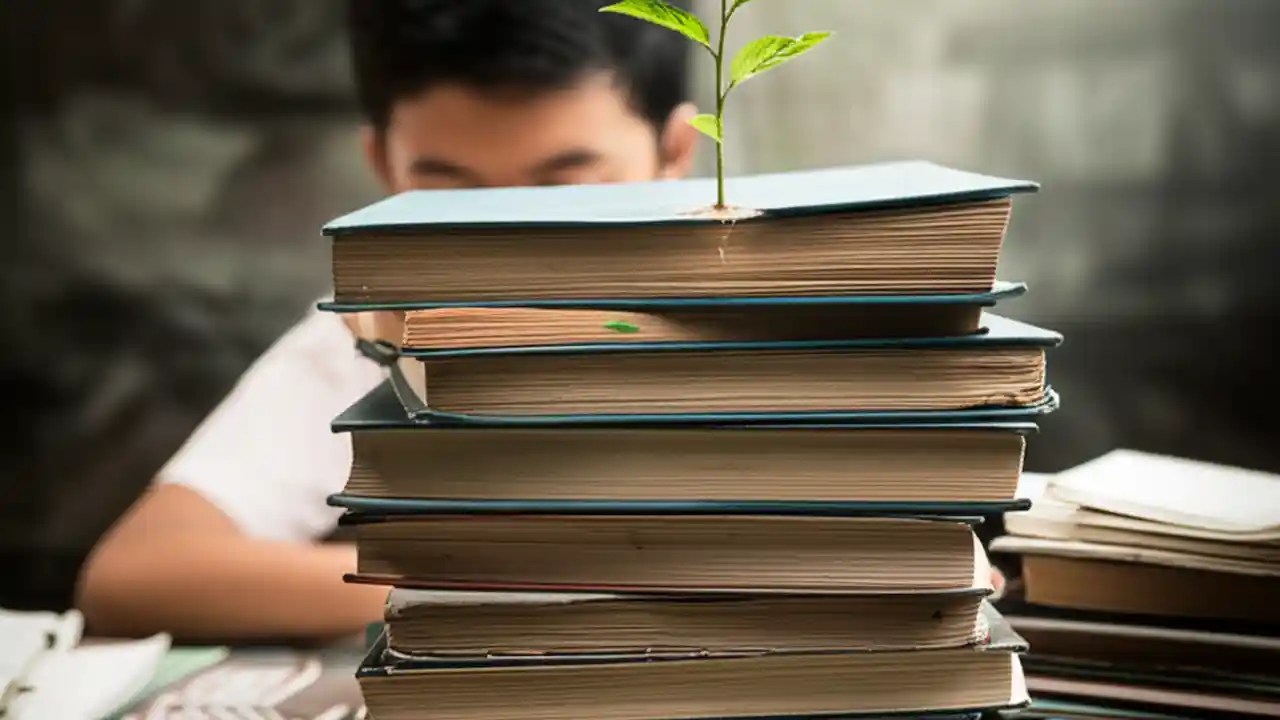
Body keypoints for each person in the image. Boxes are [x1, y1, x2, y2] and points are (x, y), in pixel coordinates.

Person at [75, 0, 699, 641]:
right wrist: (493, 581)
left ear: (675, 150)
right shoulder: (373, 333)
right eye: (450, 197)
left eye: (564, 192)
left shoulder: (770, 311)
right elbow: (139, 573)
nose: (503, 244)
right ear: (383, 165)